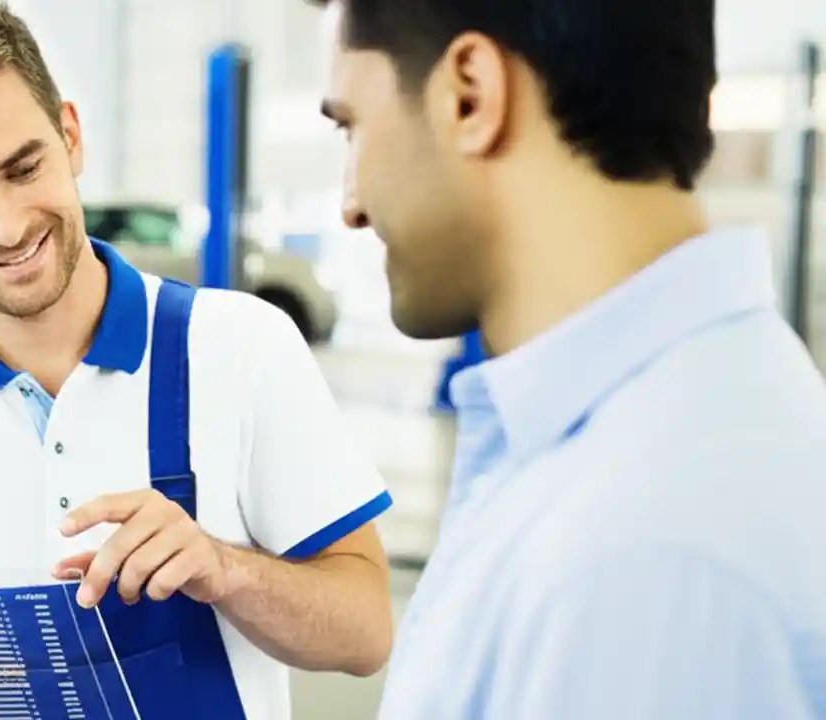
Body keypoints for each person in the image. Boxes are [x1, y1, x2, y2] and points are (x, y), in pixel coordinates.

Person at [0, 1, 395, 718]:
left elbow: (365, 633)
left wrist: (225, 571)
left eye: (23, 167)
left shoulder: (245, 350)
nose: (5, 226)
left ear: (70, 135)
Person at [308, 0, 826, 718]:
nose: (351, 204)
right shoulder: (684, 429)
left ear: (471, 94)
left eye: (351, 126)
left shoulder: (645, 556)